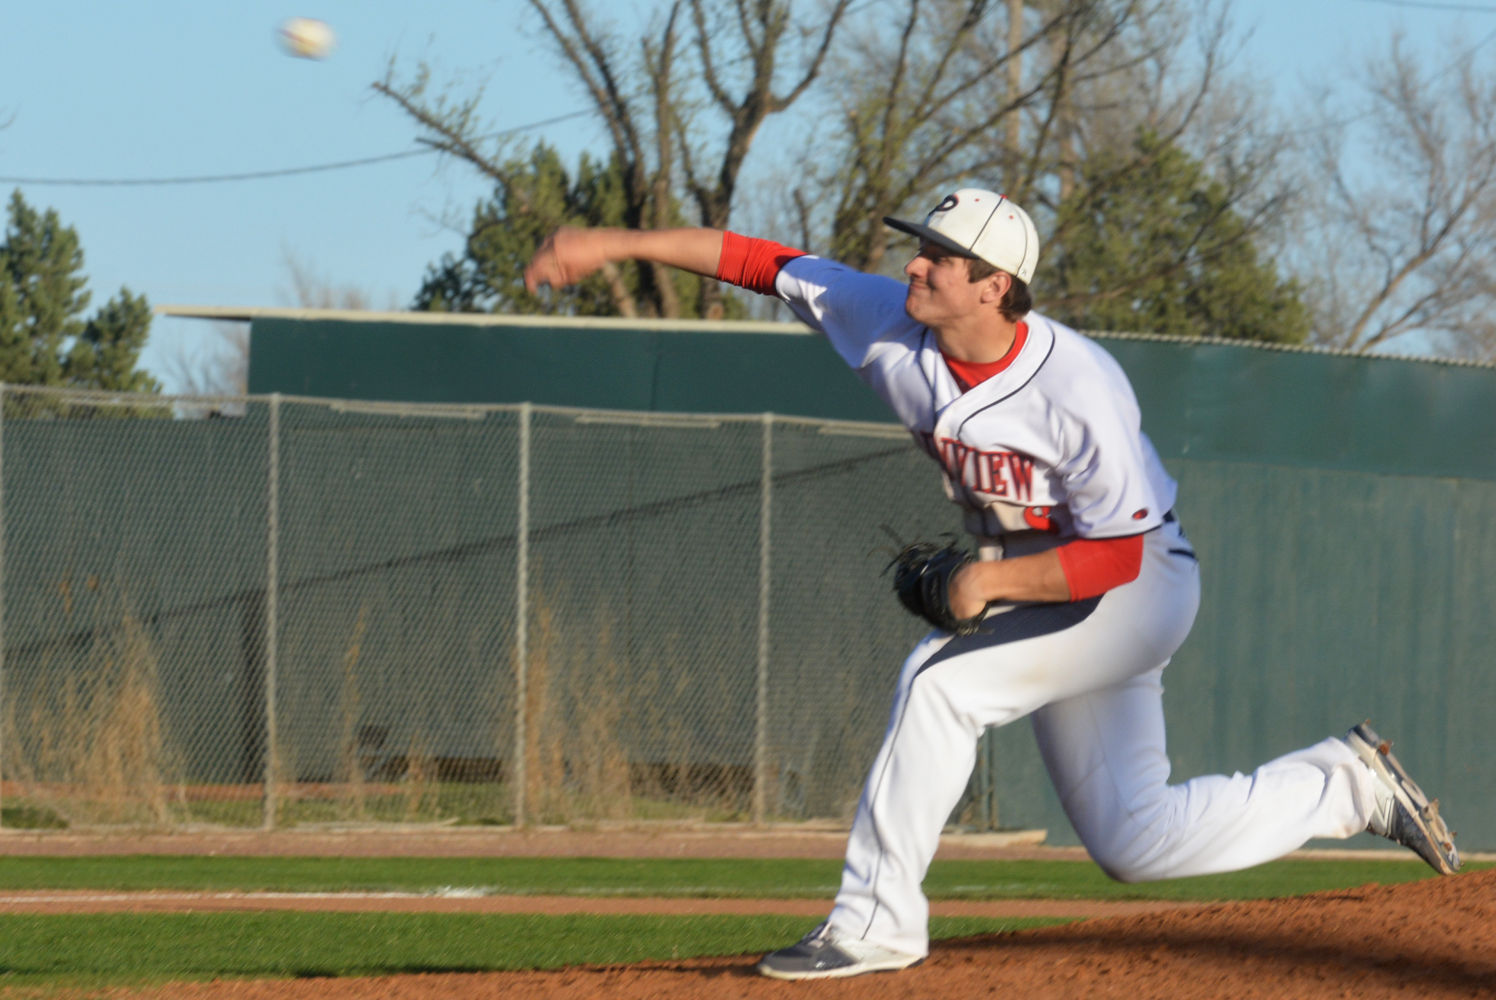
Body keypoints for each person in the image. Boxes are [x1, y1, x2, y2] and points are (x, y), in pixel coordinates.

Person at [522, 188, 1462, 981]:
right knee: (1134, 840)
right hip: (1050, 593)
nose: (916, 267)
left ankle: (876, 923)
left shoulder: (1078, 389)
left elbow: (1118, 557)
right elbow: (763, 262)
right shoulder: (884, 322)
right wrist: (612, 241)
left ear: (995, 285)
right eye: (920, 249)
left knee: (941, 684)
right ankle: (1348, 788)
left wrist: (986, 583)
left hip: (1131, 590)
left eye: (941, 257)